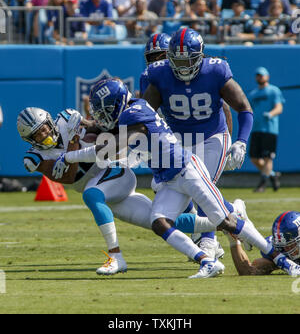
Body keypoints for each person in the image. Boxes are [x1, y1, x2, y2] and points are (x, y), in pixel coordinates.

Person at [62, 77, 300, 278]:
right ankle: (207, 261)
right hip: (169, 179)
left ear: (116, 105)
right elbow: (109, 132)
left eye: (104, 110)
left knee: (225, 220)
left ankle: (281, 260)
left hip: (187, 170)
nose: (101, 116)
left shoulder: (134, 114)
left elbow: (110, 148)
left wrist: (70, 157)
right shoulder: (132, 110)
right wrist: (85, 123)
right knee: (160, 222)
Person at [17, 107, 221, 274]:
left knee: (91, 194)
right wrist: (72, 142)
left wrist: (89, 127)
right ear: (30, 140)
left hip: (113, 170)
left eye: (44, 129)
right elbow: (69, 177)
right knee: (161, 224)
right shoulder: (33, 158)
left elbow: (104, 132)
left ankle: (115, 256)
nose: (44, 135)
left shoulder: (66, 120)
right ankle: (226, 227)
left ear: (50, 123)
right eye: (37, 135)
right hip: (106, 189)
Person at [142, 27, 249, 261]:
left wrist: (237, 141)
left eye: (187, 60)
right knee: (177, 193)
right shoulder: (157, 75)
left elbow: (238, 107)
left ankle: (209, 242)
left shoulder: (215, 70)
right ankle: (235, 213)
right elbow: (145, 115)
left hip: (212, 136)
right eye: (175, 61)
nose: (182, 66)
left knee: (202, 187)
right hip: (179, 141)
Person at [225, 211, 300, 276]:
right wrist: (233, 241)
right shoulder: (277, 247)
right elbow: (247, 271)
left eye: (291, 245)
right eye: (284, 246)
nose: (287, 250)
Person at [248, 67, 284, 193]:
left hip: (269, 129)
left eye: (262, 75)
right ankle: (273, 175)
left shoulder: (274, 91)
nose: (260, 77)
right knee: (254, 158)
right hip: (256, 129)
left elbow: (279, 108)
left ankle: (262, 183)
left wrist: (270, 114)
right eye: (258, 75)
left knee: (268, 157)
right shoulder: (252, 94)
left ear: (267, 77)